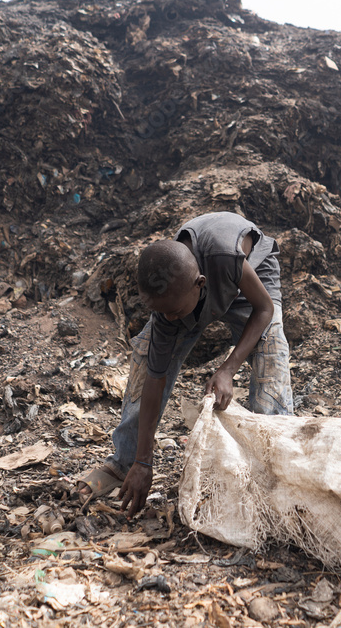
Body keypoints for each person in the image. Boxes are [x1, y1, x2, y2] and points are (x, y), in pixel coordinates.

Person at [76, 211, 293, 517]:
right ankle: (123, 463)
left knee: (271, 355)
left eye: (175, 312)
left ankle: (275, 473)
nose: (170, 320)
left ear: (200, 285)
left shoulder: (225, 258)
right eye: (161, 312)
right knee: (145, 355)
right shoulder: (169, 298)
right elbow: (155, 378)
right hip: (185, 288)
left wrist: (227, 369)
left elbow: (264, 309)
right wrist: (143, 461)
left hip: (252, 278)